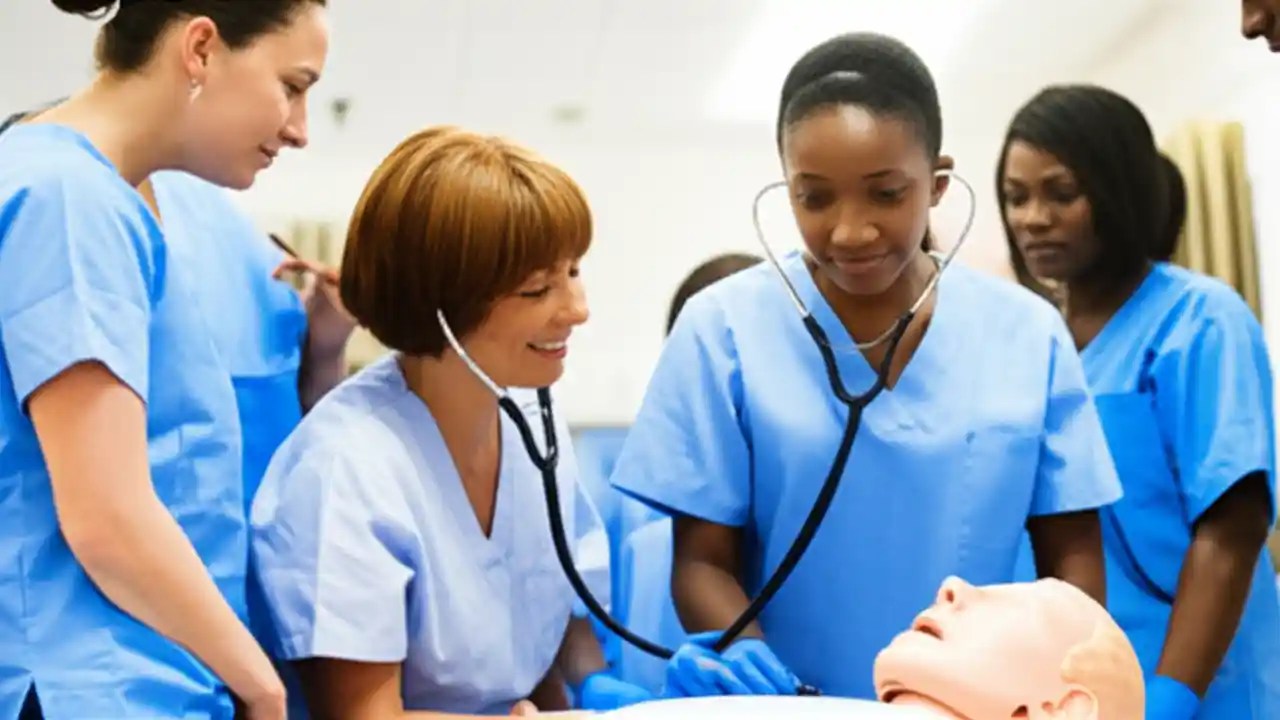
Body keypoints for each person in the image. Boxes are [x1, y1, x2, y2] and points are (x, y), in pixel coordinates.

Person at [607, 32, 1121, 702]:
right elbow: (702, 560)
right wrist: (749, 656)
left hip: (975, 711)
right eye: (814, 198)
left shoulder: (1025, 333)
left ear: (936, 185)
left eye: (885, 194)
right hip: (790, 706)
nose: (850, 231)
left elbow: (1073, 559)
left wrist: (1061, 683)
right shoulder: (723, 329)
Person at [250, 126, 651, 719]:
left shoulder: (533, 426)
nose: (578, 309)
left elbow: (536, 647)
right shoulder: (348, 467)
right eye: (538, 288)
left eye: (573, 272)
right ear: (441, 303)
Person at [0, 1, 329, 718]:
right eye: (292, 85)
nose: (301, 129)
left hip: (150, 680)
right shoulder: (66, 198)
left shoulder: (107, 198)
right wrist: (262, 686)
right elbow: (106, 517)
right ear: (202, 48)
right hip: (87, 685)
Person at [998, 83, 1280, 719]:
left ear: (1117, 188)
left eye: (1060, 193)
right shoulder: (1031, 342)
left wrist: (1171, 697)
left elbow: (1232, 527)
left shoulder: (1199, 319)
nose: (1033, 218)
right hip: (1070, 693)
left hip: (1199, 687)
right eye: (1016, 198)